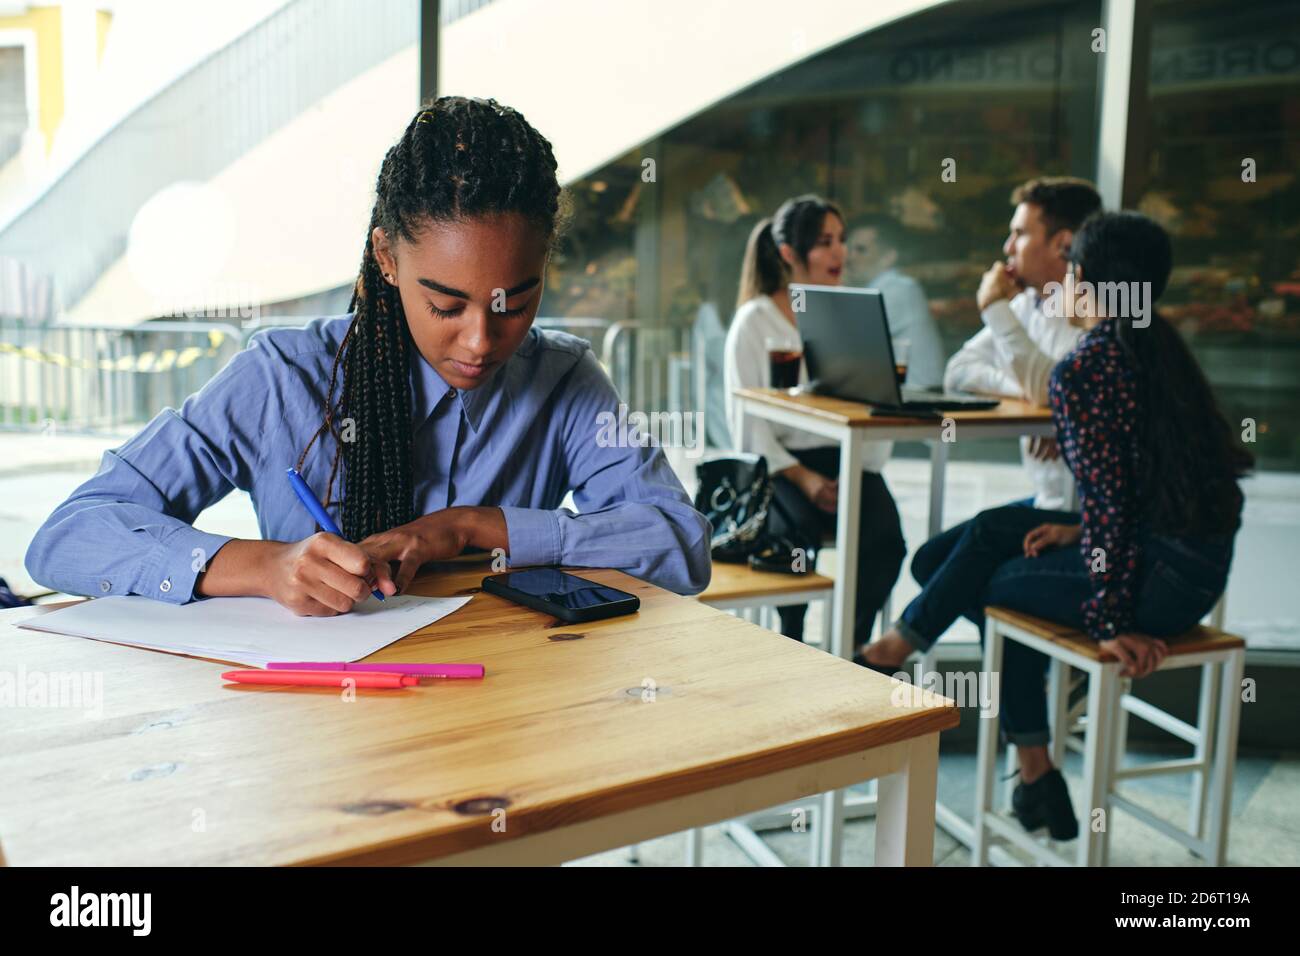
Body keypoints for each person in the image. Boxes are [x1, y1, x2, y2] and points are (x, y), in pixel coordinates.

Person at [26, 97, 712, 613]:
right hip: (322, 736)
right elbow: (70, 534)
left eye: (513, 304)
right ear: (386, 257)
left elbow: (679, 545)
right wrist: (262, 567)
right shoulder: (282, 379)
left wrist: (467, 528)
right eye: (446, 306)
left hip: (505, 720)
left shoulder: (563, 383)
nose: (480, 341)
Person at [860, 211, 1252, 838]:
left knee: (985, 582)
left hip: (1152, 583)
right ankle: (1035, 775)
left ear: (1092, 281)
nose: (1059, 283)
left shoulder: (1085, 369)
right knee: (967, 556)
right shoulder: (1161, 348)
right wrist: (1078, 536)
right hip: (1193, 572)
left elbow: (1111, 506)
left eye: (1071, 270)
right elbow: (1148, 489)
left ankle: (894, 658)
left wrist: (1112, 621)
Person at [724, 194, 905, 649]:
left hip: (848, 456)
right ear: (789, 254)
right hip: (783, 465)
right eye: (824, 242)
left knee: (886, 542)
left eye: (841, 240)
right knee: (794, 542)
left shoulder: (852, 317)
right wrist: (804, 478)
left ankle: (851, 647)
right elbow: (745, 423)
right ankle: (794, 644)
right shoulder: (755, 321)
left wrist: (858, 465)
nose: (839, 252)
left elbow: (874, 402)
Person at [845, 215, 945, 390]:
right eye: (849, 249)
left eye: (861, 250)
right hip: (901, 395)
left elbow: (847, 344)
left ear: (888, 257)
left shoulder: (899, 289)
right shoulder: (881, 288)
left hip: (921, 398)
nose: (849, 257)